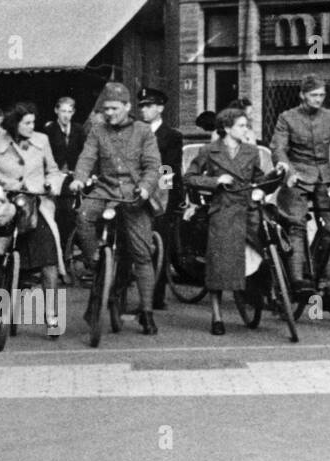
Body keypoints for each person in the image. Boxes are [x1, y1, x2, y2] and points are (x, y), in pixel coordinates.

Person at [70, 82, 163, 335]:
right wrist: (79, 178)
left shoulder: (143, 130)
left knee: (142, 254)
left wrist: (145, 187)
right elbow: (87, 157)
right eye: (106, 109)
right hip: (106, 191)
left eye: (114, 108)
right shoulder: (97, 130)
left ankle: (146, 312)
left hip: (134, 195)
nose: (109, 113)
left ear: (127, 107)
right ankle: (96, 260)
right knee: (83, 215)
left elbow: (153, 165)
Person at [270, 74, 330, 287]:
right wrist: (287, 170)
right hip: (298, 177)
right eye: (314, 95)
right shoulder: (287, 117)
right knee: (297, 225)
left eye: (322, 95)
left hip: (323, 178)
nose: (319, 99)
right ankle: (297, 278)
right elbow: (279, 148)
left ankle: (318, 272)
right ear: (302, 95)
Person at [184, 108, 266, 336]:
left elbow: (259, 178)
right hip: (222, 212)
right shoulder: (209, 150)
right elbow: (188, 177)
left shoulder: (252, 151)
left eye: (245, 125)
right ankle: (217, 315)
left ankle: (256, 298)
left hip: (248, 211)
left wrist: (267, 184)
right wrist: (215, 181)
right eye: (241, 125)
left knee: (258, 257)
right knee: (218, 267)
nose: (246, 130)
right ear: (227, 128)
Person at [0, 103, 66, 333]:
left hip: (36, 205)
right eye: (27, 123)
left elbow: (53, 170)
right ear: (15, 124)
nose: (32, 127)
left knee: (49, 258)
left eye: (33, 122)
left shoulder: (41, 141)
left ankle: (51, 314)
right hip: (8, 205)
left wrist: (52, 183)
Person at [138, 86, 183, 311]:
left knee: (159, 245)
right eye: (142, 106)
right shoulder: (136, 132)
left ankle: (156, 296)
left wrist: (165, 198)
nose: (144, 110)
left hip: (159, 196)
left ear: (160, 108)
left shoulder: (172, 136)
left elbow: (170, 168)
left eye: (149, 106)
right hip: (137, 193)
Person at [43, 96, 84, 260]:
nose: (66, 115)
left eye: (69, 111)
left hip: (73, 176)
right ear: (56, 111)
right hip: (55, 176)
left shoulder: (78, 130)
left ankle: (70, 249)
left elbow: (84, 154)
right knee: (60, 211)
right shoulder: (49, 130)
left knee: (72, 211)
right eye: (63, 111)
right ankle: (60, 251)